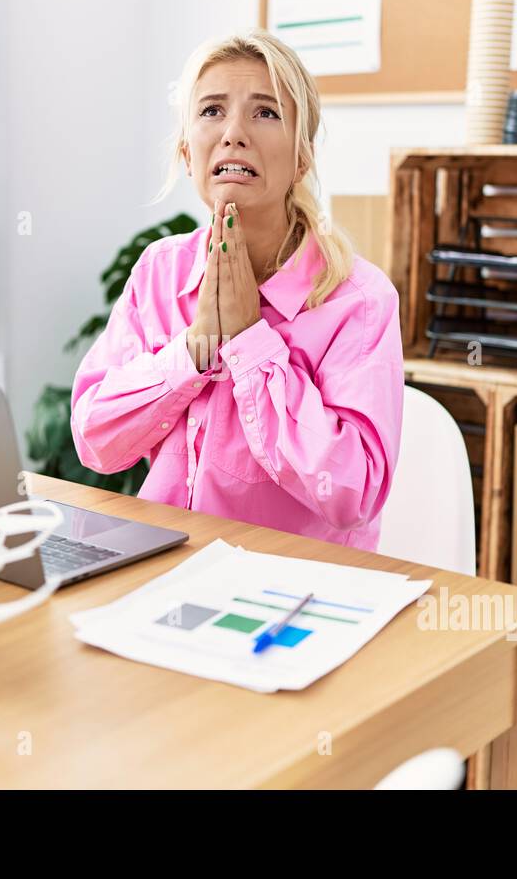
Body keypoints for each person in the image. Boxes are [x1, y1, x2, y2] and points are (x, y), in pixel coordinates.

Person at [70, 30, 403, 550]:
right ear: (187, 153)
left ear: (302, 159)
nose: (233, 133)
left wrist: (250, 341)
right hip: (169, 570)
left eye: (265, 113)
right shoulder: (161, 269)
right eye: (211, 111)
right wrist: (192, 352)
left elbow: (351, 493)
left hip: (295, 591)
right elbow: (96, 440)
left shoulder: (359, 300)